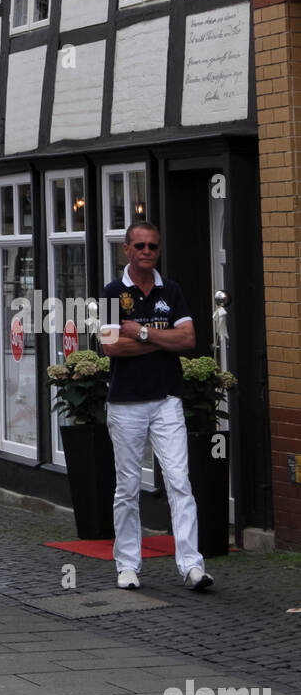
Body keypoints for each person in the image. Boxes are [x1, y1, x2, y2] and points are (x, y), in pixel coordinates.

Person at [100, 222, 212, 591]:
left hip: (167, 399)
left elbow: (190, 339)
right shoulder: (110, 292)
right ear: (127, 250)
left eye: (153, 246)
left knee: (180, 481)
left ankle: (192, 565)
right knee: (127, 487)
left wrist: (144, 333)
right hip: (126, 402)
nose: (148, 251)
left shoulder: (172, 289)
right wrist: (165, 341)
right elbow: (112, 347)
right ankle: (128, 565)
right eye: (140, 246)